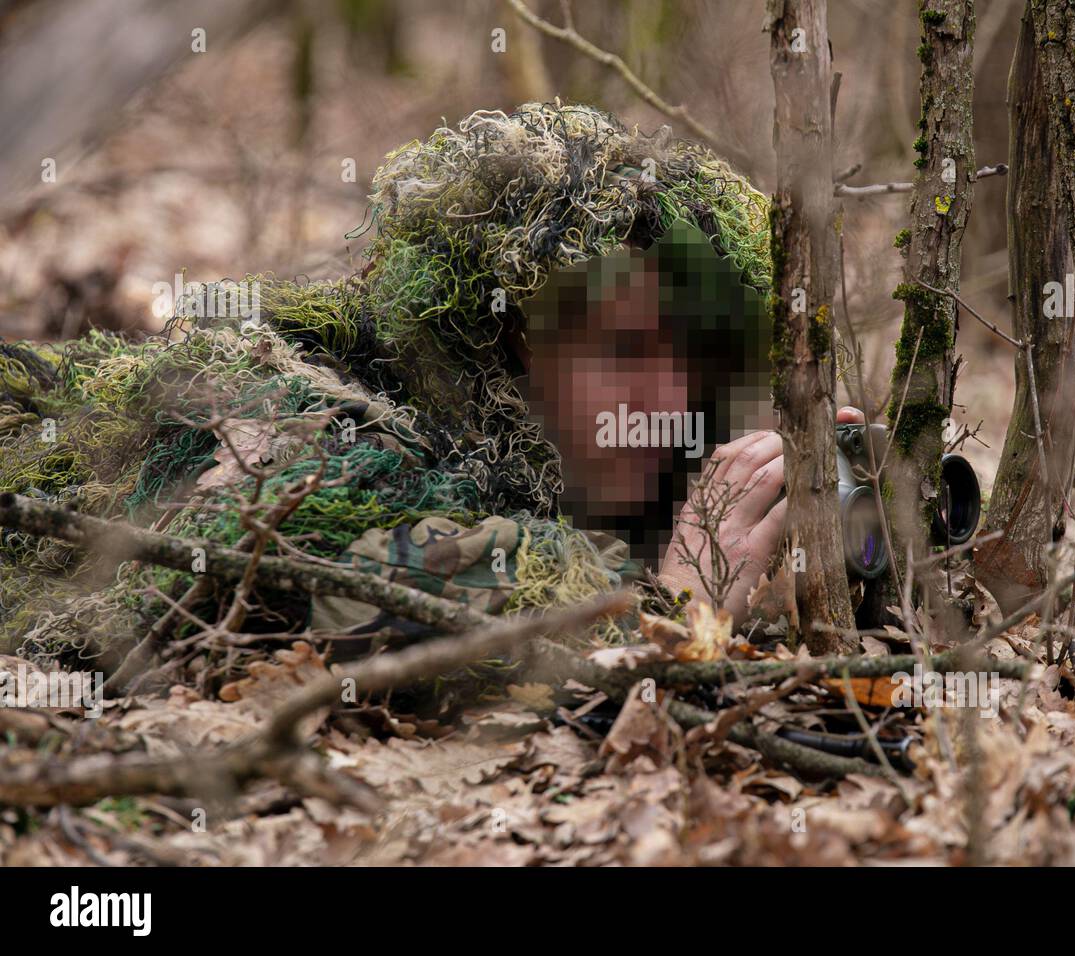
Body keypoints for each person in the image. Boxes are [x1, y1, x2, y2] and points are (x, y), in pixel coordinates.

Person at [0, 102, 853, 683]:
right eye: (622, 350)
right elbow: (356, 600)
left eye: (687, 354)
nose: (664, 398)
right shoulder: (319, 418)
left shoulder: (585, 464)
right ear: (501, 343)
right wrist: (674, 604)